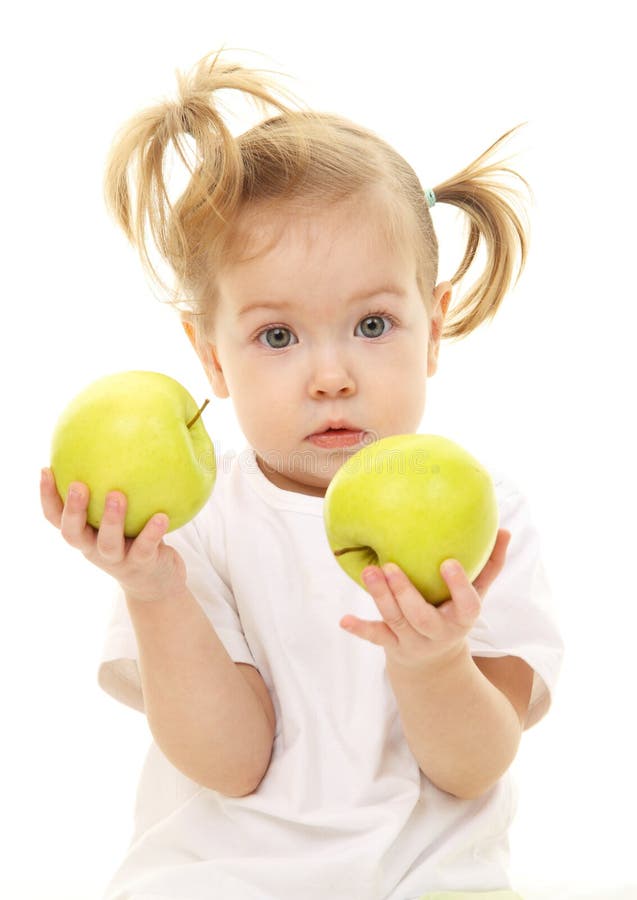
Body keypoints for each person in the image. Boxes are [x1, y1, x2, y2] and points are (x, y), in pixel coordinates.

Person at [40, 47, 564, 900]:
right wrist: (154, 590)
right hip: (222, 877)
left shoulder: (487, 515)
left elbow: (474, 770)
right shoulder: (193, 523)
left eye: (372, 323)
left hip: (422, 880)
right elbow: (232, 764)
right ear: (210, 355)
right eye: (278, 337)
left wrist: (433, 663)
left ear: (433, 329)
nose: (331, 376)